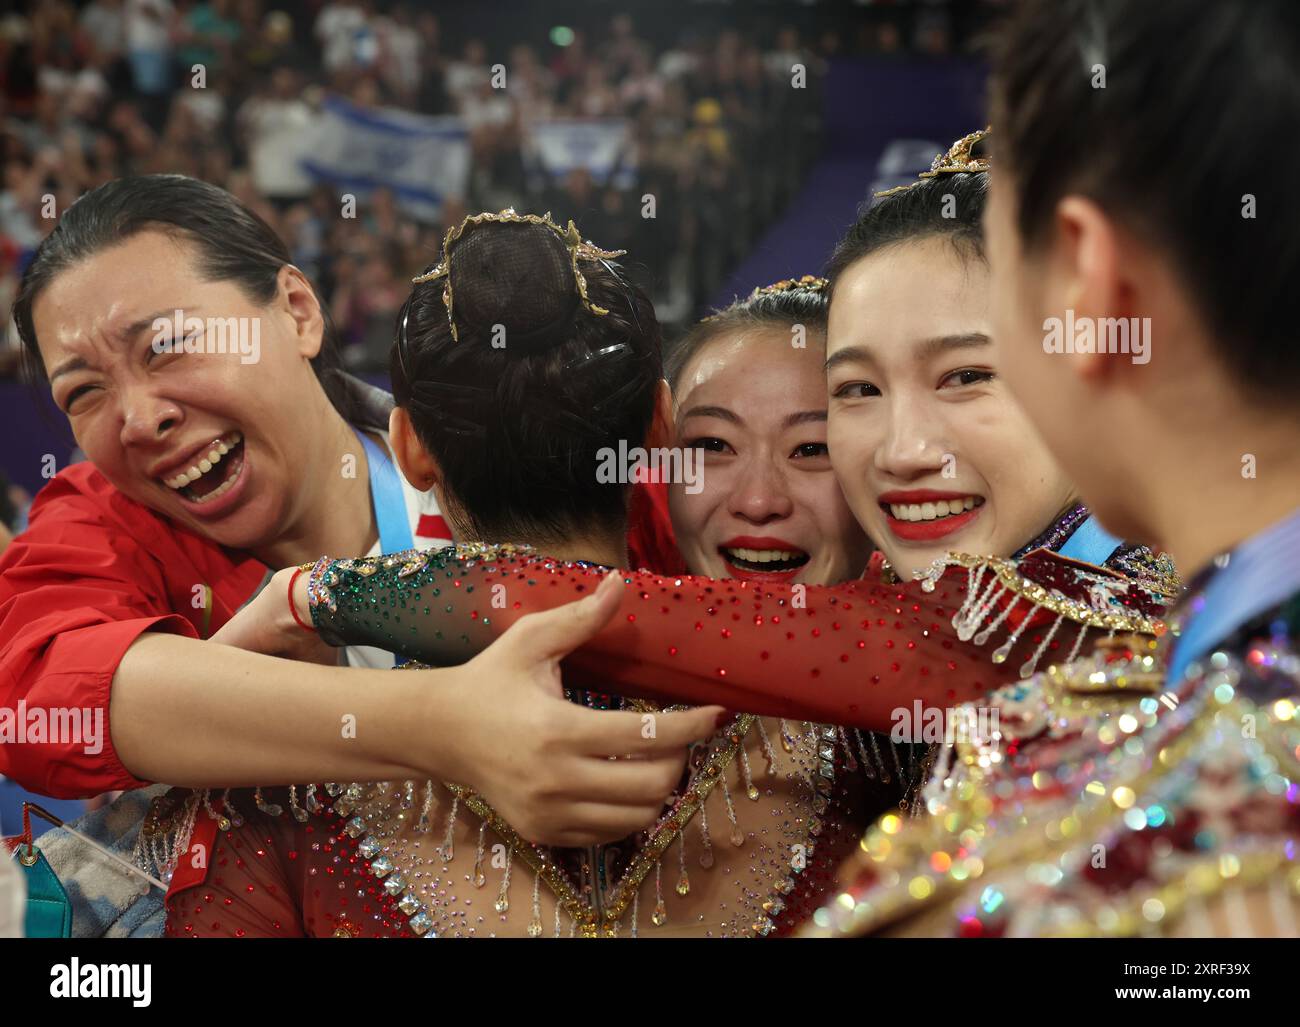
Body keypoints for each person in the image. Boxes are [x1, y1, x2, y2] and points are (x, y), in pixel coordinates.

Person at [164, 212, 874, 937]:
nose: (760, 499)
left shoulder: (281, 784)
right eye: (717, 442)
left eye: (811, 447)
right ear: (662, 429)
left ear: (409, 447)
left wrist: (319, 592)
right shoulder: (880, 733)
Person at [0, 175, 720, 853]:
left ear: (297, 312)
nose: (137, 419)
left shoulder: (504, 432)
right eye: (83, 392)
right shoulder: (102, 519)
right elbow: (34, 697)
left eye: (166, 345)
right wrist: (442, 725)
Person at [806, 0, 1300, 937]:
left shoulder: (1074, 879)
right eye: (855, 390)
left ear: (1088, 283)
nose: (907, 449)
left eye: (969, 369)